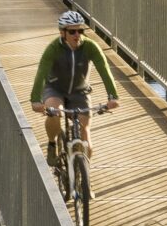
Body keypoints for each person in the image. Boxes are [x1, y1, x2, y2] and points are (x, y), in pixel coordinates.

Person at [29, 10, 119, 156]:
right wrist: (36, 100)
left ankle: (83, 173)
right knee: (54, 114)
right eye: (72, 32)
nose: (77, 35)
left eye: (80, 30)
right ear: (62, 33)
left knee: (85, 135)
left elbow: (104, 70)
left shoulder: (90, 46)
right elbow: (42, 74)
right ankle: (52, 143)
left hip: (80, 91)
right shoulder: (53, 49)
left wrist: (113, 96)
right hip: (55, 89)